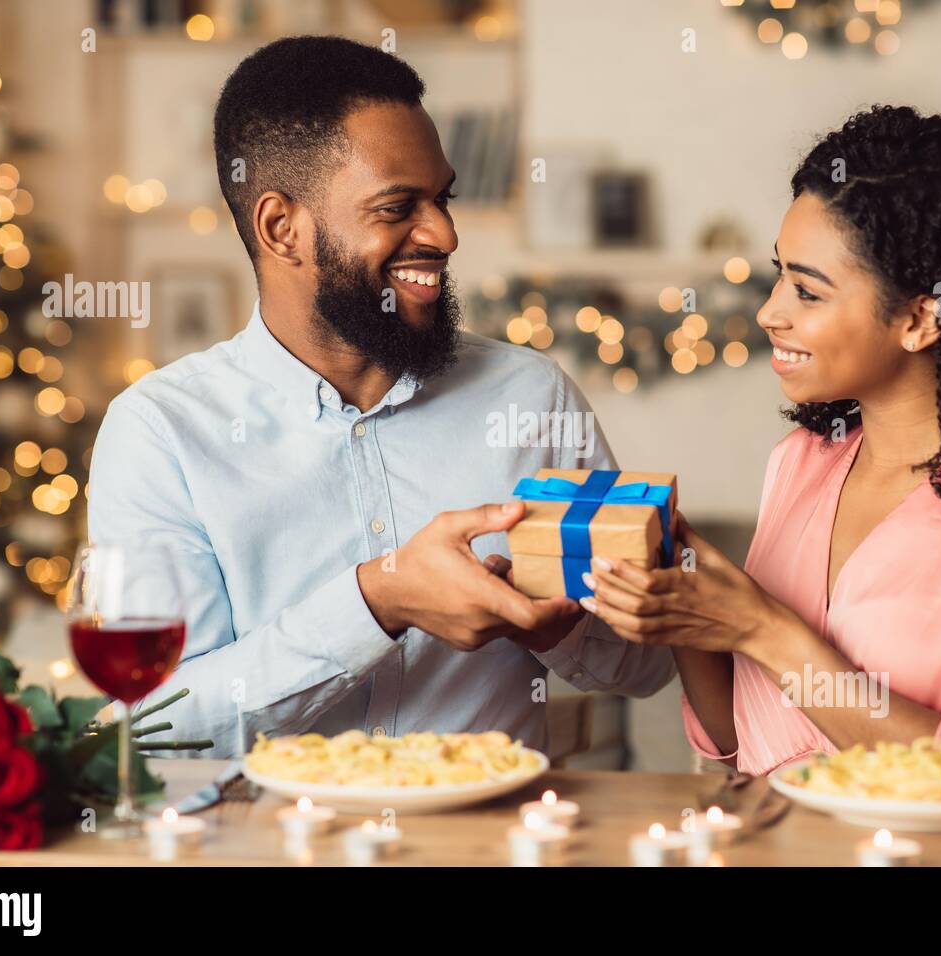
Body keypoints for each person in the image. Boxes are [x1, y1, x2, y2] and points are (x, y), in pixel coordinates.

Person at [87, 36, 674, 757]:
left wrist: (561, 627)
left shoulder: (531, 397)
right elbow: (155, 723)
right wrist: (375, 603)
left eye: (443, 199)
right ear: (282, 228)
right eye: (398, 207)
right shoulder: (162, 432)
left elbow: (646, 664)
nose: (445, 234)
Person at [583, 106, 941, 774]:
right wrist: (686, 605)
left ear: (920, 317)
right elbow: (740, 744)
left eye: (807, 293)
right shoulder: (801, 464)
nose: (769, 313)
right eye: (779, 275)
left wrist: (764, 628)